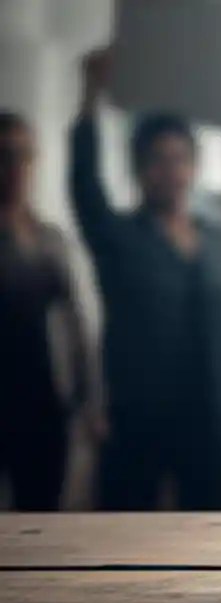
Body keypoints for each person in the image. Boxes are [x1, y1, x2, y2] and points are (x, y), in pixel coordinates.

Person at [69, 48, 221, 510]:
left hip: (208, 418)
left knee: (208, 541)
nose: (171, 172)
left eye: (180, 159)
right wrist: (89, 98)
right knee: (126, 544)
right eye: (158, 160)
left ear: (194, 165)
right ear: (140, 169)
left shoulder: (218, 239)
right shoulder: (120, 238)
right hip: (137, 417)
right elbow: (85, 187)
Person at [1, 112, 94, 511]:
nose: (16, 167)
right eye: (5, 155)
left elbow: (77, 324)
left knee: (41, 516)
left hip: (45, 402)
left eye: (24, 155)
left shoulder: (50, 240)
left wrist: (90, 397)